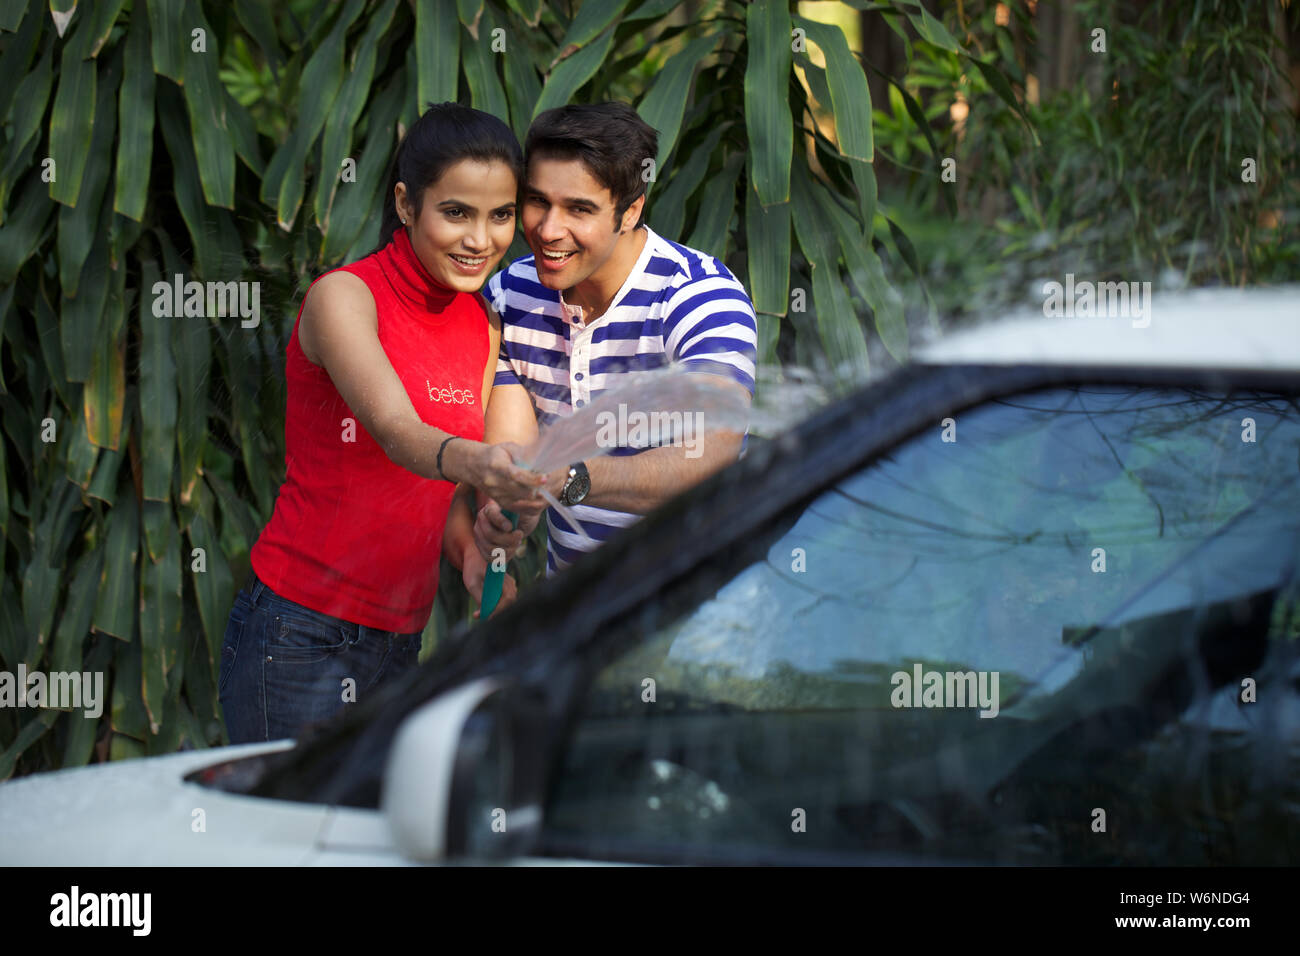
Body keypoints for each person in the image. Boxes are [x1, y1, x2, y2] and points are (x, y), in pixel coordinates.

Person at [219, 103, 546, 744]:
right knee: (282, 842)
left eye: (500, 215)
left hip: (399, 642)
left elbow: (437, 495)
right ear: (405, 204)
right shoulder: (344, 297)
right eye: (457, 212)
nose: (481, 239)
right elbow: (397, 432)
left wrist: (473, 554)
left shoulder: (481, 324)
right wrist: (485, 463)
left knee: (364, 843)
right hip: (296, 631)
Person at [475, 103, 759, 575]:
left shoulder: (697, 296)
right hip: (581, 610)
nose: (548, 229)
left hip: (708, 608)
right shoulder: (511, 295)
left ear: (630, 212)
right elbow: (513, 450)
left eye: (578, 209)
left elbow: (712, 451)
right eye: (538, 200)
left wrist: (572, 478)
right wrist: (509, 508)